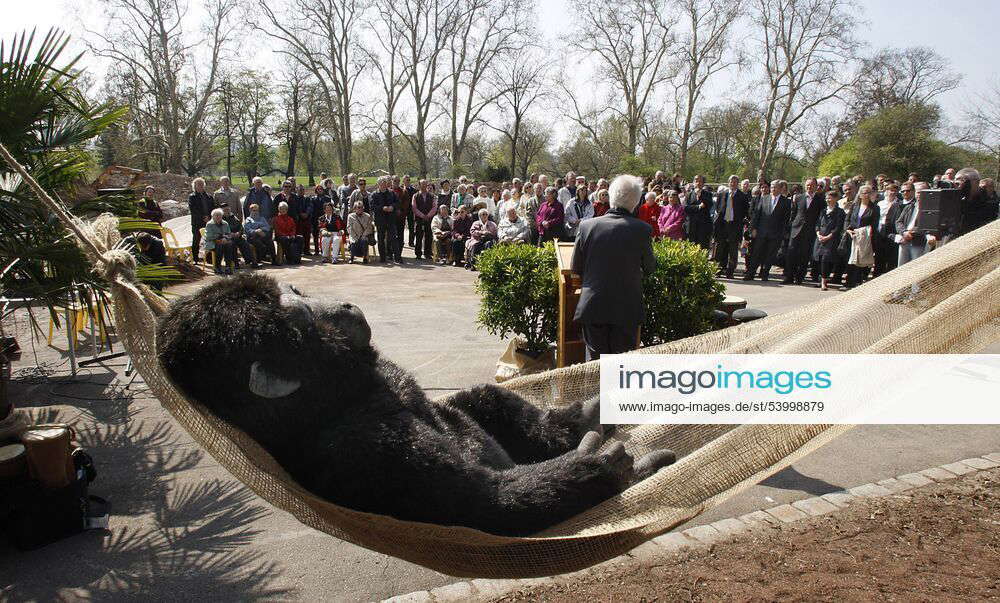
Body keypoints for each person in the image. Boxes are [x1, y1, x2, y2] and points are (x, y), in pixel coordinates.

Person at [572, 174, 655, 361]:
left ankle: (596, 392)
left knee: (595, 366)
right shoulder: (642, 230)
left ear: (610, 196)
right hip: (626, 307)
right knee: (620, 366)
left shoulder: (587, 226)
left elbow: (576, 267)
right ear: (636, 202)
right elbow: (650, 267)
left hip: (594, 304)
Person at [744, 179, 791, 282]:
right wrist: (753, 229)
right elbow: (757, 215)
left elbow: (786, 219)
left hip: (776, 233)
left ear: (780, 188)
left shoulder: (786, 202)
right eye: (772, 187)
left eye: (776, 187)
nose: (773, 189)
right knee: (756, 253)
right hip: (761, 231)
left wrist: (782, 233)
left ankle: (765, 274)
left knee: (770, 255)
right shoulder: (764, 199)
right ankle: (751, 273)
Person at [783, 178, 824, 284]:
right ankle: (789, 277)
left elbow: (820, 216)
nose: (809, 187)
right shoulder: (799, 197)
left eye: (811, 185)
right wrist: (791, 226)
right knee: (791, 253)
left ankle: (800, 277)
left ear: (816, 186)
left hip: (810, 231)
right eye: (807, 185)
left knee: (804, 255)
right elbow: (794, 213)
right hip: (796, 229)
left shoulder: (820, 200)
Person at [842, 185, 878, 290]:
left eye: (869, 192)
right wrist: (847, 230)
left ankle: (859, 282)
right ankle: (849, 282)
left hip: (864, 237)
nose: (867, 195)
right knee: (851, 258)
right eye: (864, 193)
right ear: (860, 195)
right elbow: (847, 219)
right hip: (852, 235)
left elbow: (874, 224)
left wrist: (866, 232)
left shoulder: (874, 208)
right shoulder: (855, 206)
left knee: (861, 259)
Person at [894, 182, 936, 266]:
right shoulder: (909, 206)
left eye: (922, 192)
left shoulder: (932, 209)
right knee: (901, 268)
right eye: (918, 192)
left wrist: (912, 232)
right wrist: (904, 232)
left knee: (915, 268)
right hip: (904, 241)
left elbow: (929, 227)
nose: (920, 194)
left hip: (919, 243)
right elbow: (898, 222)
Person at [815, 191, 846, 291]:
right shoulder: (823, 211)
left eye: (830, 198)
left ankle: (824, 281)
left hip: (831, 239)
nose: (828, 200)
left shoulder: (840, 212)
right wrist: (818, 234)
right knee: (819, 259)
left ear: (836, 199)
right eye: (827, 198)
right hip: (820, 238)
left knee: (826, 259)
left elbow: (838, 227)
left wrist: (827, 237)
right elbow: (818, 224)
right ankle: (822, 279)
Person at [955, 168, 999, 237]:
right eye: (956, 181)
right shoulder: (953, 200)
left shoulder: (989, 203)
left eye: (963, 181)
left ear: (976, 182)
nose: (959, 184)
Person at [371, 176, 402, 263]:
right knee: (380, 239)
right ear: (378, 184)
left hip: (390, 219)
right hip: (380, 220)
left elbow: (398, 203)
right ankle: (383, 258)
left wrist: (393, 207)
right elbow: (372, 206)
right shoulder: (374, 194)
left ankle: (398, 258)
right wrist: (382, 208)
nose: (383, 185)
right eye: (381, 184)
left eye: (385, 183)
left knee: (393, 239)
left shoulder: (392, 193)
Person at [874, 183, 902, 276]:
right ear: (886, 191)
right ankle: (877, 273)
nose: (892, 193)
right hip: (880, 229)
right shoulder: (880, 203)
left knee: (891, 254)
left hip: (892, 230)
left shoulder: (899, 204)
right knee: (879, 253)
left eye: (895, 191)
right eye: (890, 190)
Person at [221, 203, 259, 269]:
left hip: (237, 236)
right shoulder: (221, 219)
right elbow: (221, 230)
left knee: (245, 244)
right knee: (232, 244)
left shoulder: (233, 217)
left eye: (228, 209)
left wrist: (239, 232)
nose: (227, 211)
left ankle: (250, 261)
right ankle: (236, 263)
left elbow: (241, 227)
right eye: (225, 210)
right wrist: (230, 234)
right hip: (228, 238)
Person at [188, 177, 215, 263]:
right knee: (196, 240)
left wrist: (209, 218)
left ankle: (209, 258)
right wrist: (203, 217)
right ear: (194, 186)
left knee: (210, 239)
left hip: (209, 222)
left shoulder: (209, 197)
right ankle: (195, 259)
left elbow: (213, 208)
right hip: (197, 222)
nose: (200, 186)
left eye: (202, 184)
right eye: (198, 184)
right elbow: (193, 210)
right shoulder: (192, 197)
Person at [683, 175, 713, 250]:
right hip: (691, 226)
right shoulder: (688, 194)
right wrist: (698, 207)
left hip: (703, 226)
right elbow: (686, 208)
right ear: (693, 183)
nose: (698, 183)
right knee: (691, 247)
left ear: (703, 183)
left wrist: (700, 196)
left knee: (702, 248)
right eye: (696, 181)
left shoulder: (708, 194)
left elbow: (709, 205)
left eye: (700, 181)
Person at [204, 208, 236, 275]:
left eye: (220, 215)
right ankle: (217, 267)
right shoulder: (209, 224)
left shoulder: (225, 223)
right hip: (212, 242)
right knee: (219, 245)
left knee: (229, 244)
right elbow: (209, 236)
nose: (218, 217)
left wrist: (226, 238)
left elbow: (228, 233)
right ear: (213, 216)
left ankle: (228, 266)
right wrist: (220, 237)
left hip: (224, 241)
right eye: (216, 215)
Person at [411, 179, 437, 260]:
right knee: (418, 236)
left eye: (425, 184)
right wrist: (422, 216)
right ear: (419, 185)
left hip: (429, 219)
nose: (424, 186)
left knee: (429, 236)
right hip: (419, 219)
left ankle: (427, 253)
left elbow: (434, 207)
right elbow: (414, 208)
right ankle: (418, 254)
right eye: (422, 184)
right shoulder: (415, 196)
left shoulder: (432, 196)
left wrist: (428, 215)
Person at [308, 184, 331, 255]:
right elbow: (311, 209)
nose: (320, 190)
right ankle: (316, 250)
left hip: (325, 218)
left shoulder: (327, 198)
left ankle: (324, 250)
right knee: (315, 235)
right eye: (318, 189)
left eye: (321, 189)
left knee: (325, 234)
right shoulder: (313, 198)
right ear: (316, 190)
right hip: (315, 219)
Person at [397, 174, 417, 247]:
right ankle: (401, 241)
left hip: (410, 211)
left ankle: (411, 242)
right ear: (403, 181)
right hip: (402, 210)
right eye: (406, 180)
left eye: (409, 180)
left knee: (411, 227)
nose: (407, 181)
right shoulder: (400, 189)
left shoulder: (414, 190)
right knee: (401, 226)